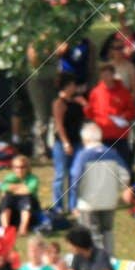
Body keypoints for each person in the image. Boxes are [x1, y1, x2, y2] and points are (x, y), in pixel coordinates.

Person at [70, 126, 132, 253]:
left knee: (92, 236)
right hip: (109, 202)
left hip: (88, 203)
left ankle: (98, 265)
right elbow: (125, 175)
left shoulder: (83, 156)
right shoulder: (113, 153)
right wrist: (116, 189)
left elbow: (75, 179)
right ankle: (110, 261)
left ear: (85, 139)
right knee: (108, 233)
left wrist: (73, 203)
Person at [48, 77, 85, 218]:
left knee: (75, 174)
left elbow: (88, 114)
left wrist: (84, 104)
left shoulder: (76, 101)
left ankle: (73, 205)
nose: (75, 87)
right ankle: (57, 205)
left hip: (77, 141)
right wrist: (65, 142)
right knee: (60, 174)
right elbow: (59, 124)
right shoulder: (59, 103)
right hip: (63, 143)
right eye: (73, 85)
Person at [85, 63, 135, 150]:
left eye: (107, 75)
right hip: (101, 136)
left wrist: (124, 116)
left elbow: (132, 111)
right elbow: (90, 113)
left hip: (120, 135)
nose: (105, 78)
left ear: (113, 75)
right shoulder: (95, 92)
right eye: (103, 75)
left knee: (121, 162)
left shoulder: (123, 92)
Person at [0, 154, 41, 236]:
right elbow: (3, 188)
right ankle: (6, 229)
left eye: (22, 167)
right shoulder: (9, 177)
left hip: (30, 208)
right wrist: (21, 187)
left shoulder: (33, 178)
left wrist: (13, 188)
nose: (19, 170)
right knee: (7, 198)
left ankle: (23, 229)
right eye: (17, 167)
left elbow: (29, 190)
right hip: (13, 208)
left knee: (26, 197)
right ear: (13, 168)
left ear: (27, 167)